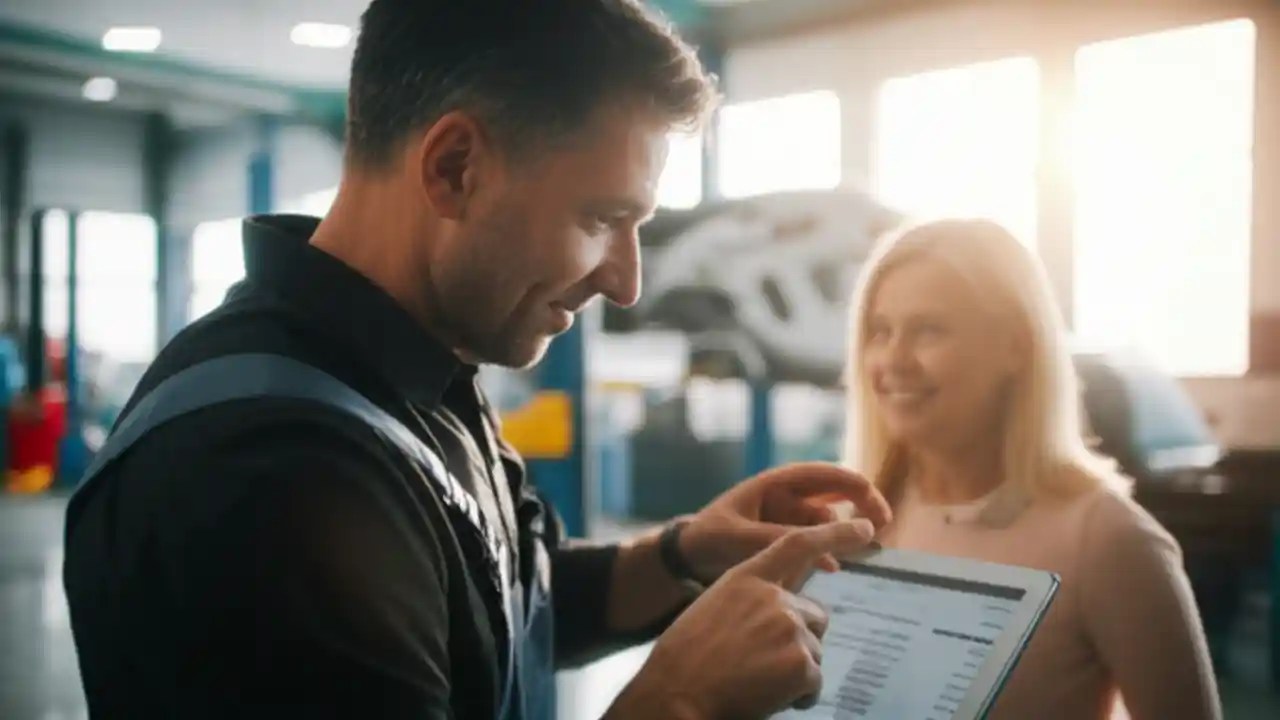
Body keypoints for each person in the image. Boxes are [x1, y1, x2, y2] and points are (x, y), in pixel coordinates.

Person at [61, 1, 892, 719]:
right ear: (455, 169)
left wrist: (681, 554)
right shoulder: (270, 473)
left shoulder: (409, 374)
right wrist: (674, 700)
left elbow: (498, 612)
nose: (628, 281)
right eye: (603, 217)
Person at [840, 218, 1221, 719]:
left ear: (1016, 346)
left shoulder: (1107, 539)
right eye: (880, 331)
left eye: (928, 330)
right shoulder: (852, 519)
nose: (894, 359)